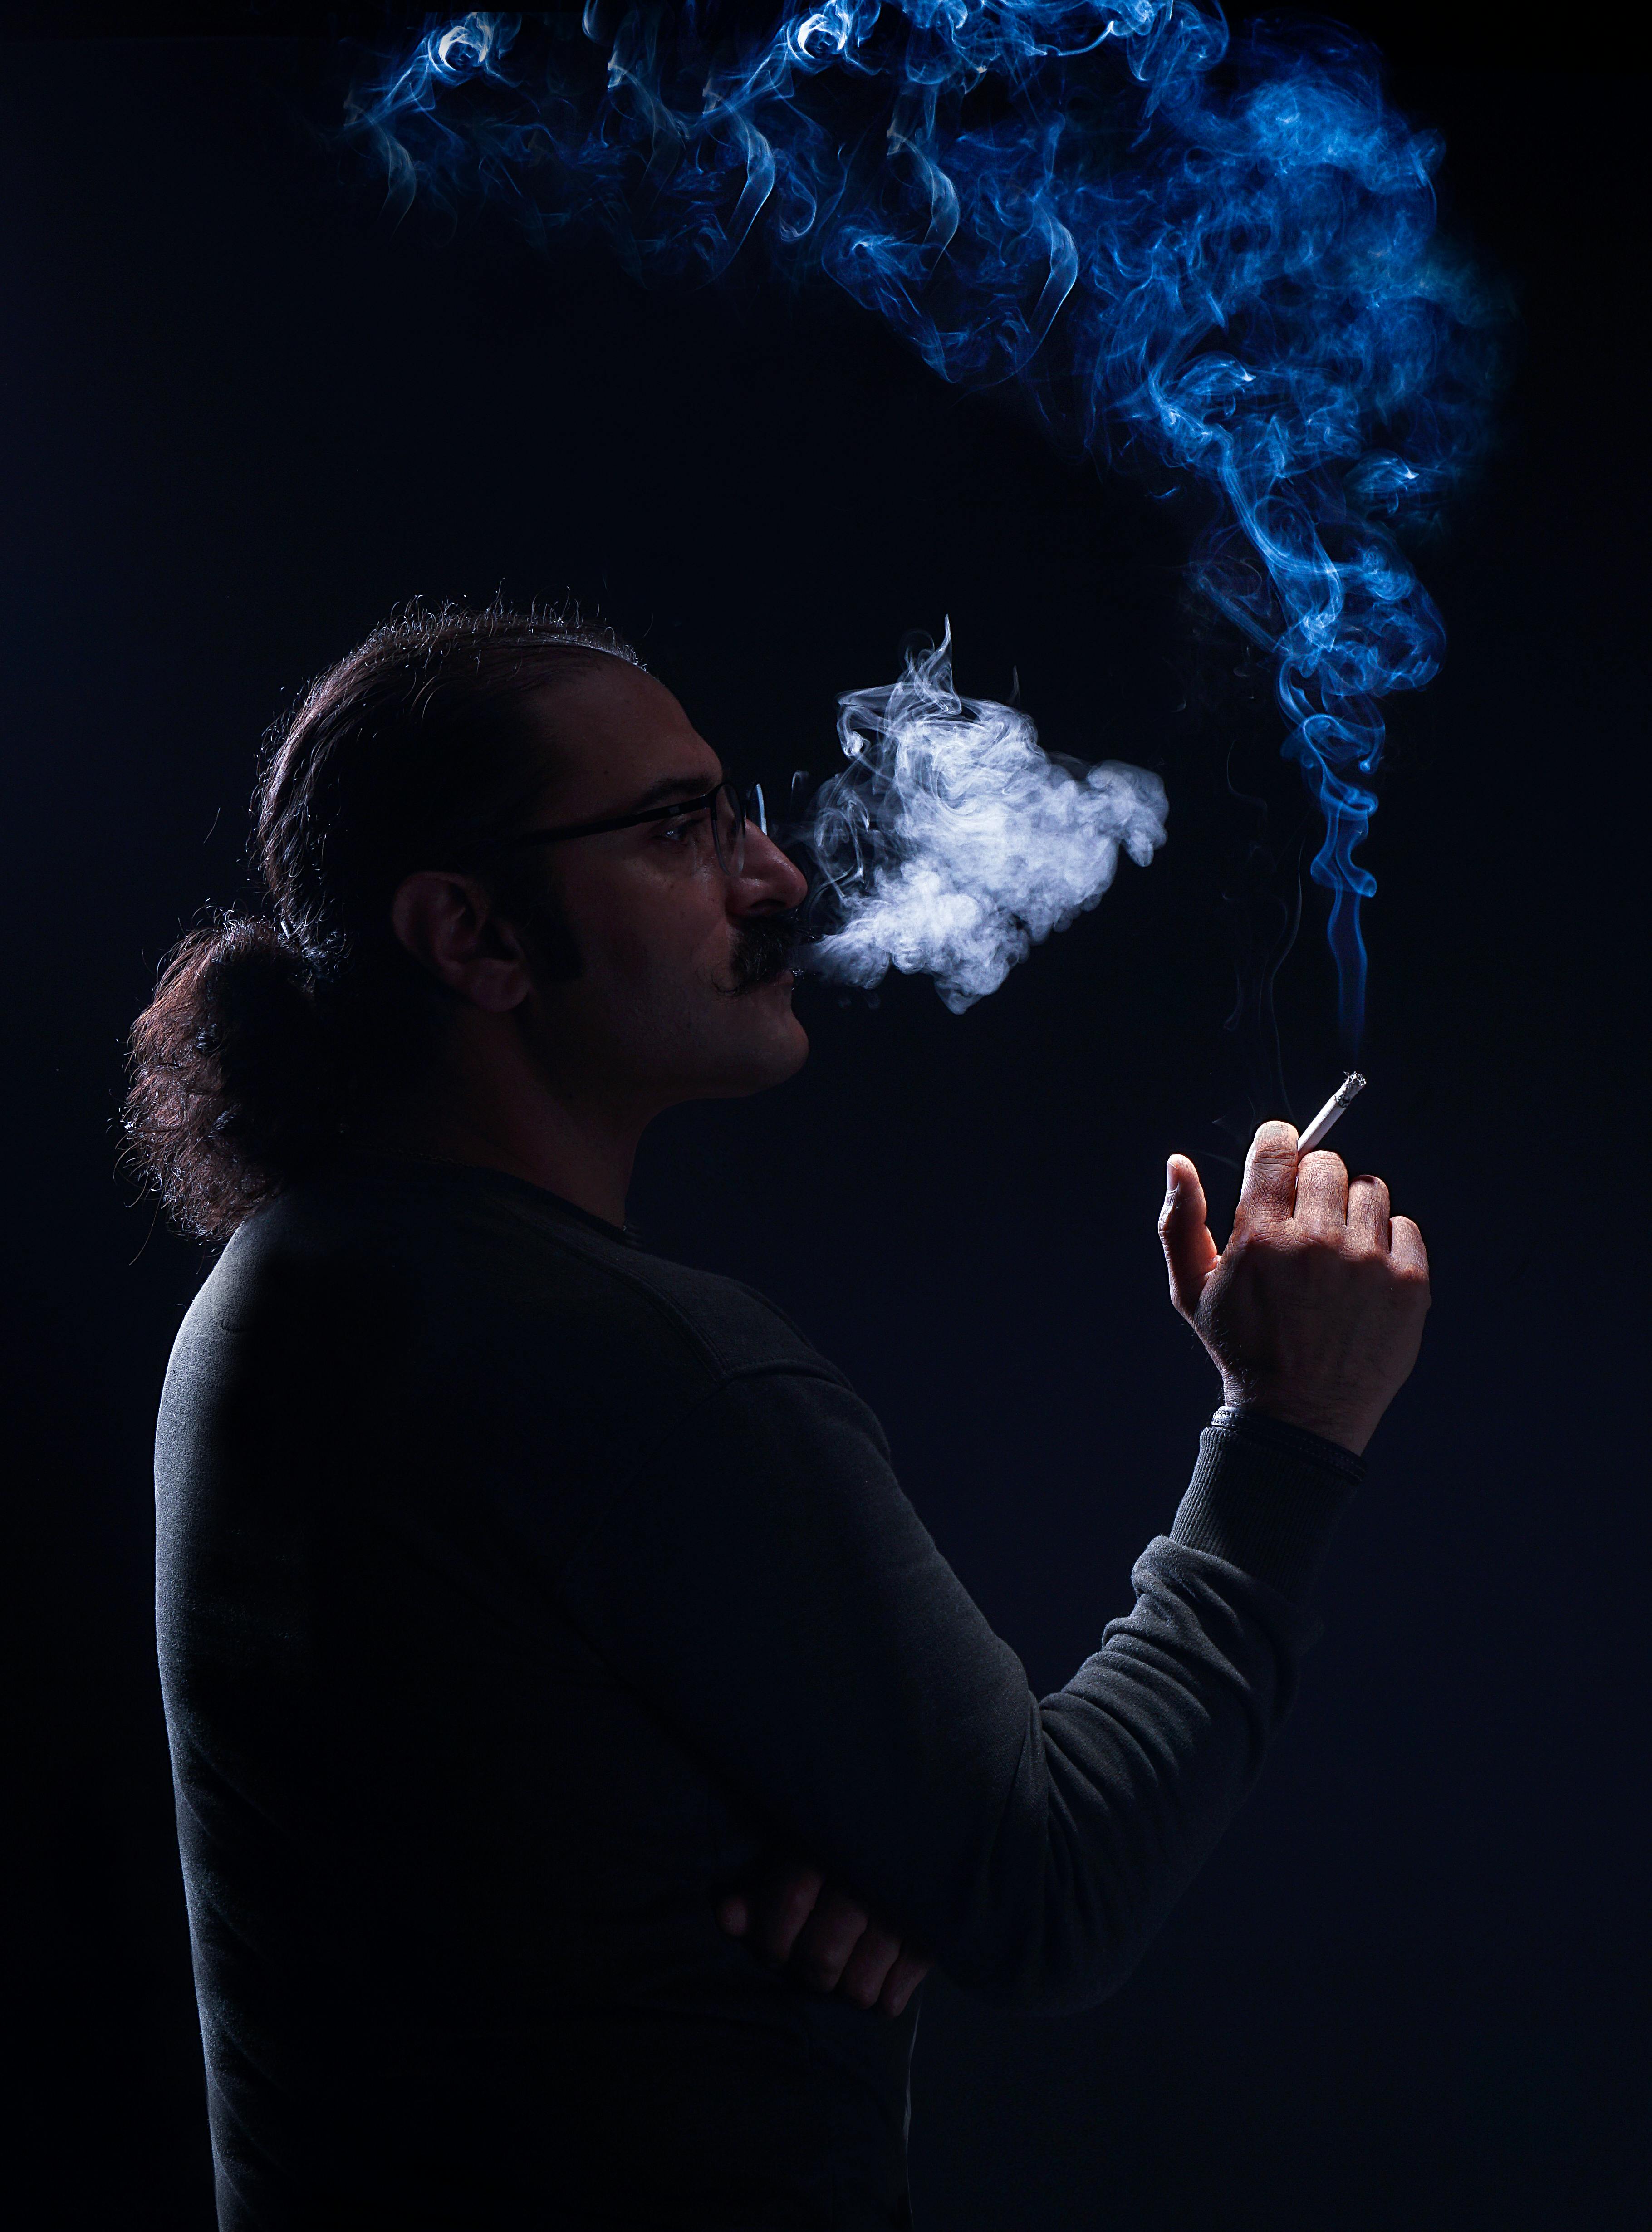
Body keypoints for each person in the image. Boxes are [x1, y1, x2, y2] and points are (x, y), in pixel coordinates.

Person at [126, 602, 1430, 2230]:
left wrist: (884, 1826)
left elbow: (544, 1814)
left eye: (735, 811)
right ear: (473, 937)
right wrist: (1290, 1428)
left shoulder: (291, 1288)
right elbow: (1053, 1889)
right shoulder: (629, 1362)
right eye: (677, 830)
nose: (775, 879)